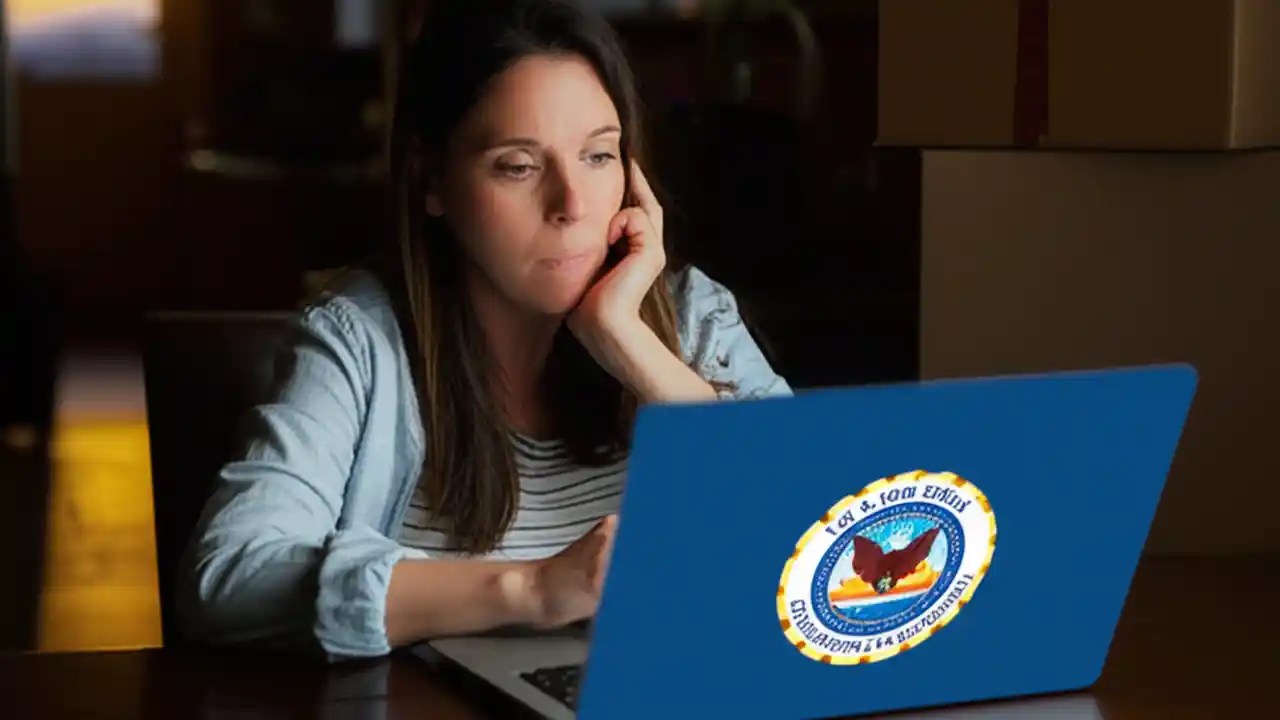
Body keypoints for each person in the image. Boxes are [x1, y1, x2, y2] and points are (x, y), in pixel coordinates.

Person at [177, 0, 791, 661]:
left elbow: (816, 545)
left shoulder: (692, 317)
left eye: (598, 155)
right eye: (518, 166)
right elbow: (226, 583)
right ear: (432, 179)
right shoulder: (362, 339)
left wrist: (628, 341)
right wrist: (532, 589)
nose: (573, 206)